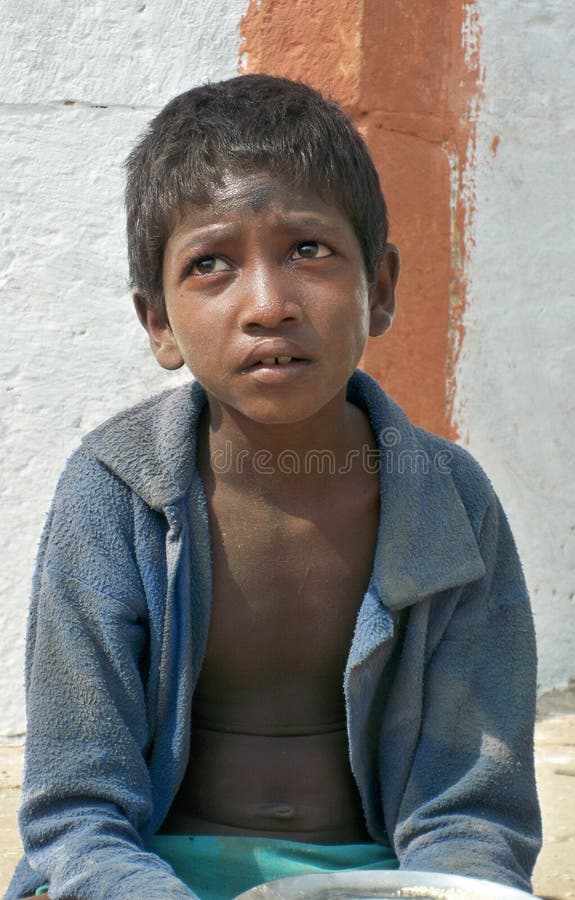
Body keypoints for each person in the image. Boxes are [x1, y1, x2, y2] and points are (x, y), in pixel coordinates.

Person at [6, 75, 541, 900]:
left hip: (378, 884)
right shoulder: (114, 493)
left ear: (383, 287)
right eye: (211, 264)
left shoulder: (449, 503)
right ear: (158, 322)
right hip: (139, 876)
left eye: (308, 249)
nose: (268, 304)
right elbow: (77, 810)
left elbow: (471, 813)